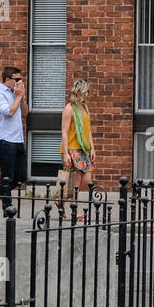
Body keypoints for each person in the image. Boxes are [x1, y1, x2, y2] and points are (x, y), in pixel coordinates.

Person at [0, 65, 28, 216]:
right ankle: (8, 207)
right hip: (5, 140)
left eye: (20, 79)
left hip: (18, 139)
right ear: (7, 79)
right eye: (16, 79)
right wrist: (17, 97)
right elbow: (9, 112)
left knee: (21, 177)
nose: (19, 82)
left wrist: (21, 97)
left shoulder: (16, 93)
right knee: (7, 176)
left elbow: (24, 112)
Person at [60, 79, 95, 218]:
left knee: (87, 180)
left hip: (84, 148)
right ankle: (75, 210)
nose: (87, 94)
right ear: (79, 91)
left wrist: (92, 148)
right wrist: (66, 153)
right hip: (73, 148)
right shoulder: (69, 108)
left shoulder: (85, 107)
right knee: (76, 181)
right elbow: (64, 131)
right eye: (86, 91)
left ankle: (60, 200)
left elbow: (88, 130)